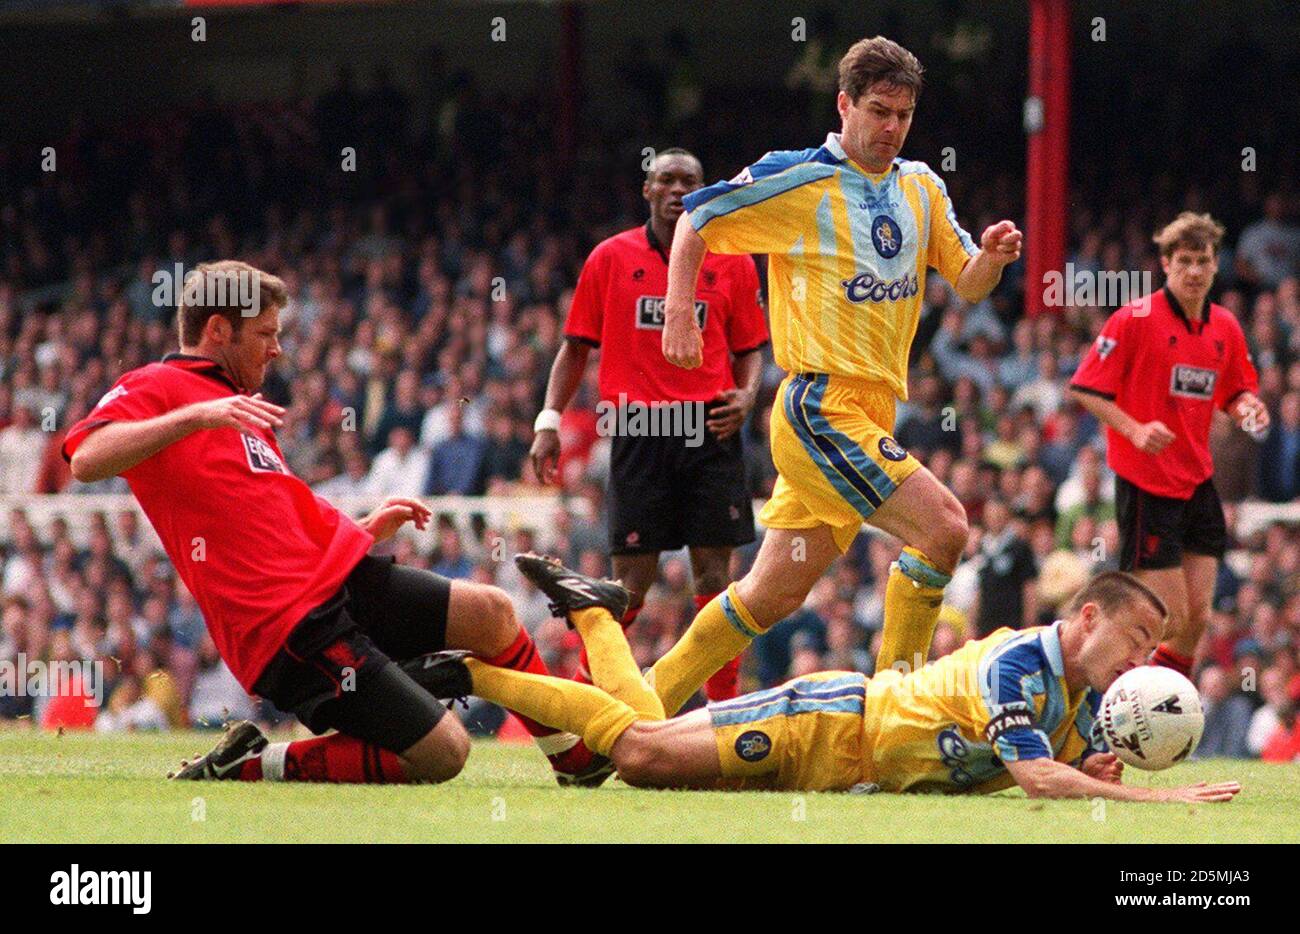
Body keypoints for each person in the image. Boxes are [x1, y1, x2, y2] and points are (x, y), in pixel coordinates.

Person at [63, 261, 598, 785]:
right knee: (444, 753)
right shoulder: (160, 385)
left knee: (493, 613)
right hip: (290, 627)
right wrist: (195, 416)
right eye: (264, 333)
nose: (276, 348)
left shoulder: (238, 405)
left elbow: (267, 520)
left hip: (335, 579)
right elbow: (86, 458)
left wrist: (363, 528)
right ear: (218, 330)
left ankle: (570, 758)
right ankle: (250, 763)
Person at [653, 36, 1022, 718]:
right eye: (878, 111)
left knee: (769, 596)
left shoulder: (920, 186)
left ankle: (636, 709)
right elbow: (696, 218)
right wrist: (680, 311)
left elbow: (966, 281)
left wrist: (993, 260)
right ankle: (893, 720)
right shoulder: (798, 178)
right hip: (819, 406)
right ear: (844, 103)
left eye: (904, 116)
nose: (891, 128)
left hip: (871, 412)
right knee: (943, 527)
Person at [458, 557, 1240, 802]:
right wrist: (1151, 797)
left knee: (640, 750)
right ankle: (472, 669)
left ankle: (594, 614)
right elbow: (1032, 775)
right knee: (633, 756)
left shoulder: (1077, 701)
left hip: (845, 772)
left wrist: (1089, 766)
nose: (1142, 661)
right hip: (831, 722)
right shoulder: (1018, 660)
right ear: (1089, 616)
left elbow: (1051, 763)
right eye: (1139, 637)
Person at [531, 147, 769, 704]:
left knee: (714, 581)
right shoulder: (610, 258)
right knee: (628, 586)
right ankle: (587, 703)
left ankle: (723, 709)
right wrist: (548, 420)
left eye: (689, 180)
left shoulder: (732, 259)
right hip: (638, 428)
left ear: (705, 191)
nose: (678, 189)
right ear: (647, 190)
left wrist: (748, 395)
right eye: (666, 179)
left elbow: (751, 347)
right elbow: (574, 348)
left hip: (711, 430)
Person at [1069, 213, 1269, 677]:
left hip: (1197, 482)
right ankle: (1090, 691)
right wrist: (1135, 430)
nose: (1194, 271)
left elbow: (1237, 391)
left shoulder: (1225, 327)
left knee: (1197, 618)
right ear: (1165, 264)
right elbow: (1085, 387)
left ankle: (1160, 722)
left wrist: (1246, 409)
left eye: (1203, 261)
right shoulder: (1134, 318)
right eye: (1185, 261)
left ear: (1217, 266)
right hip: (1146, 485)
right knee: (1167, 615)